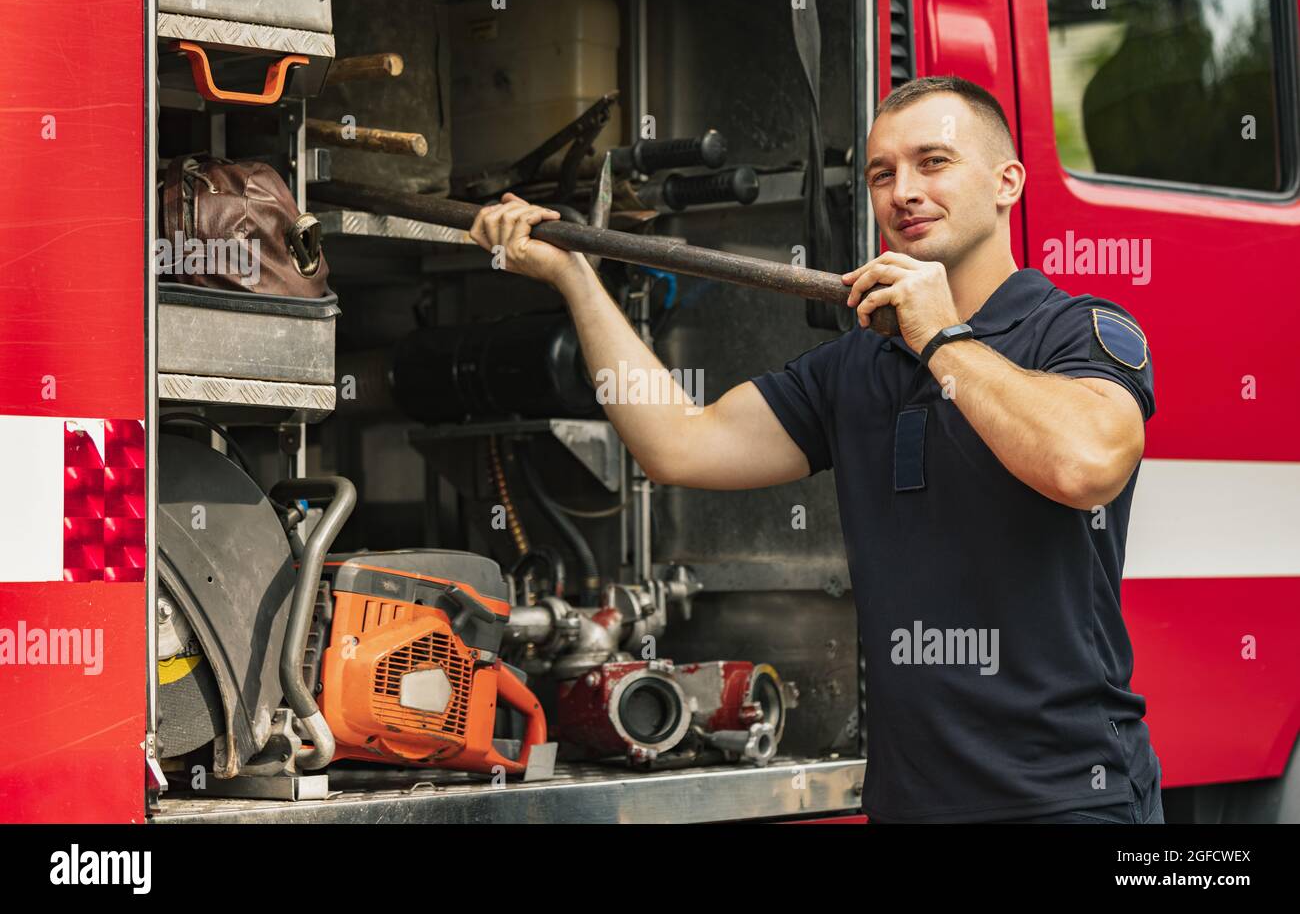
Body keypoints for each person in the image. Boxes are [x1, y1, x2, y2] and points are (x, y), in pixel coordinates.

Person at [468, 75, 1162, 824]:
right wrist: (577, 281)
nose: (905, 192)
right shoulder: (853, 367)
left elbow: (1085, 465)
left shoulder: (1075, 332)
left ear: (1007, 182)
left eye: (934, 163)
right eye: (882, 173)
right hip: (912, 806)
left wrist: (942, 338)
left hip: (1068, 801)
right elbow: (680, 444)